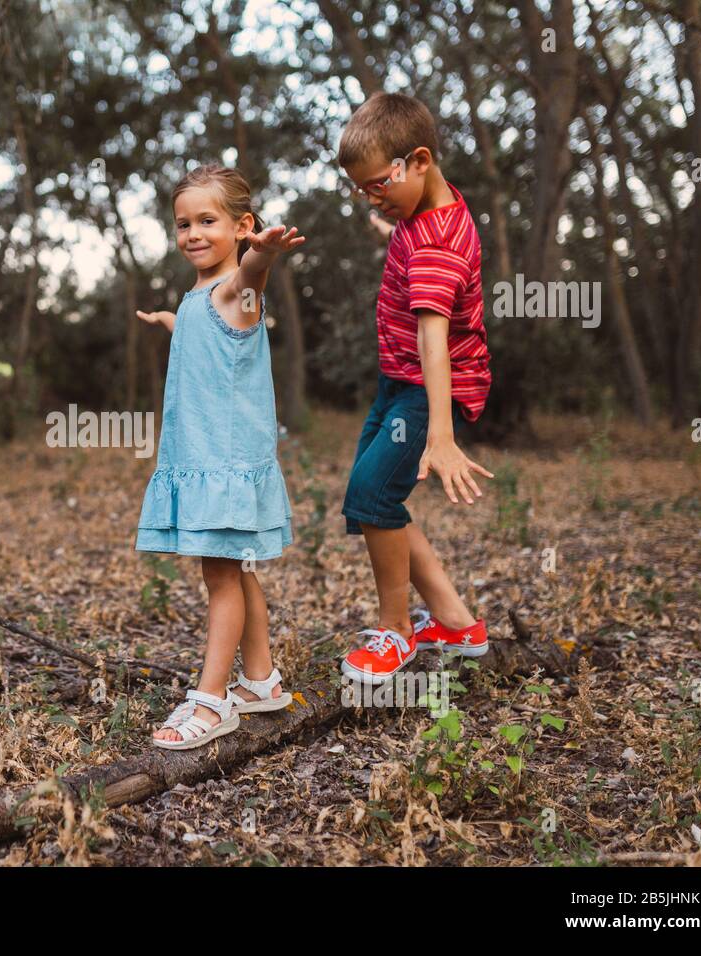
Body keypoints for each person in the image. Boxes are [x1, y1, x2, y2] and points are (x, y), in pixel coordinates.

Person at [134, 163, 305, 749]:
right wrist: (172, 323)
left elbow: (248, 281)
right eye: (184, 223)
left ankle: (210, 704)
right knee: (237, 566)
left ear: (242, 226)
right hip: (207, 459)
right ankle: (259, 682)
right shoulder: (200, 297)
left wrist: (265, 255)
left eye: (208, 221)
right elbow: (202, 329)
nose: (193, 234)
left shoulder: (240, 289)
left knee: (220, 573)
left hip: (225, 464)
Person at [334, 92, 494, 685]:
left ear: (419, 160)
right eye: (362, 189)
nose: (373, 195)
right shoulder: (428, 214)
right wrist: (390, 228)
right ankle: (454, 621)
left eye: (378, 184)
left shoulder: (432, 243)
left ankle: (397, 632)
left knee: (373, 497)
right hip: (398, 382)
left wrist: (442, 437)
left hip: (424, 390)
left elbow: (436, 340)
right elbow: (418, 248)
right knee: (373, 500)